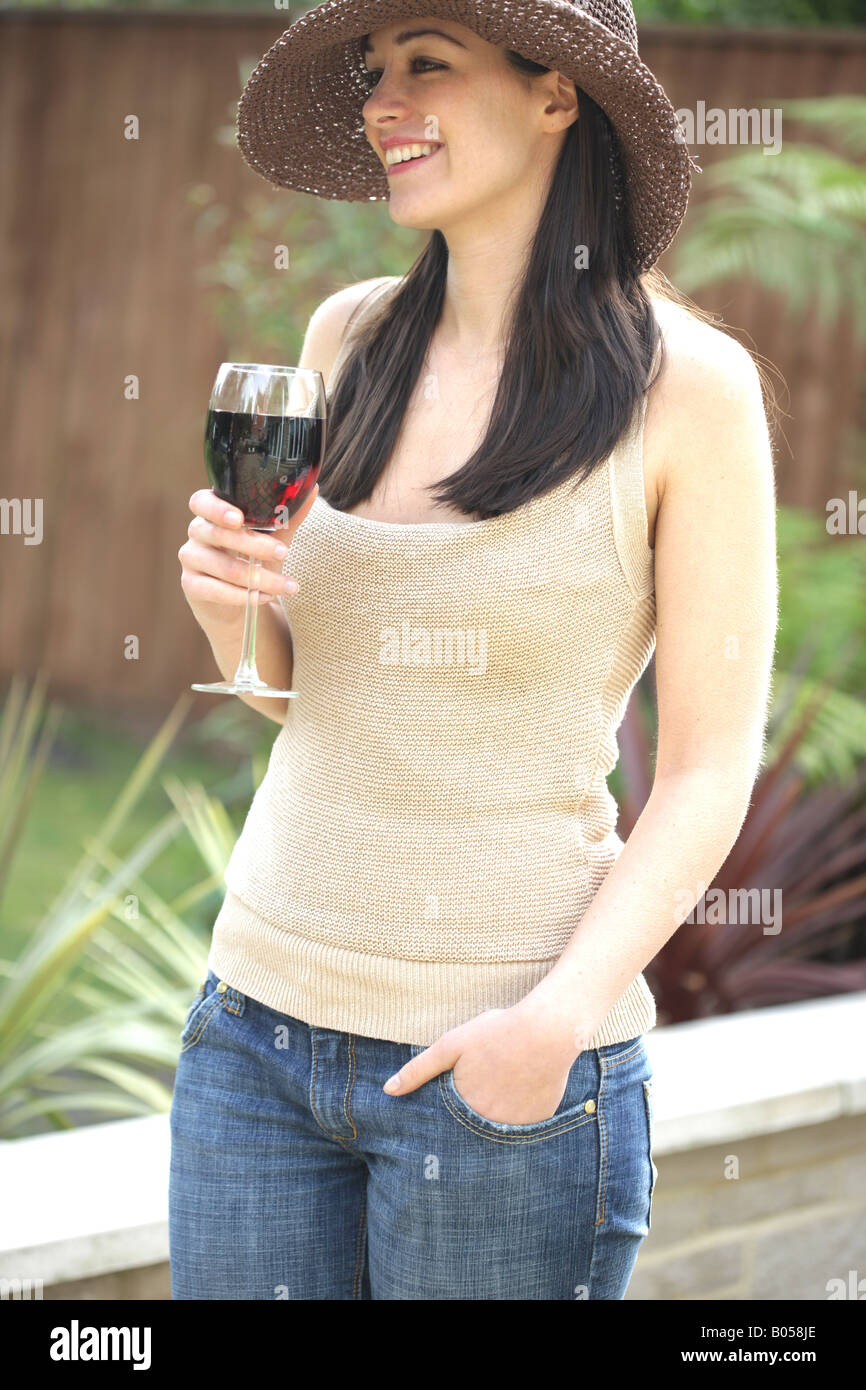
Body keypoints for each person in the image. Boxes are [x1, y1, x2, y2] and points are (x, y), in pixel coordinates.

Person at [171, 0, 777, 1300]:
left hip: (497, 1070)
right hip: (254, 1035)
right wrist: (232, 611)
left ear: (556, 95)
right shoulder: (349, 337)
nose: (385, 101)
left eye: (426, 67)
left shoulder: (692, 393)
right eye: (374, 74)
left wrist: (551, 1026)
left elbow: (709, 765)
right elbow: (307, 698)